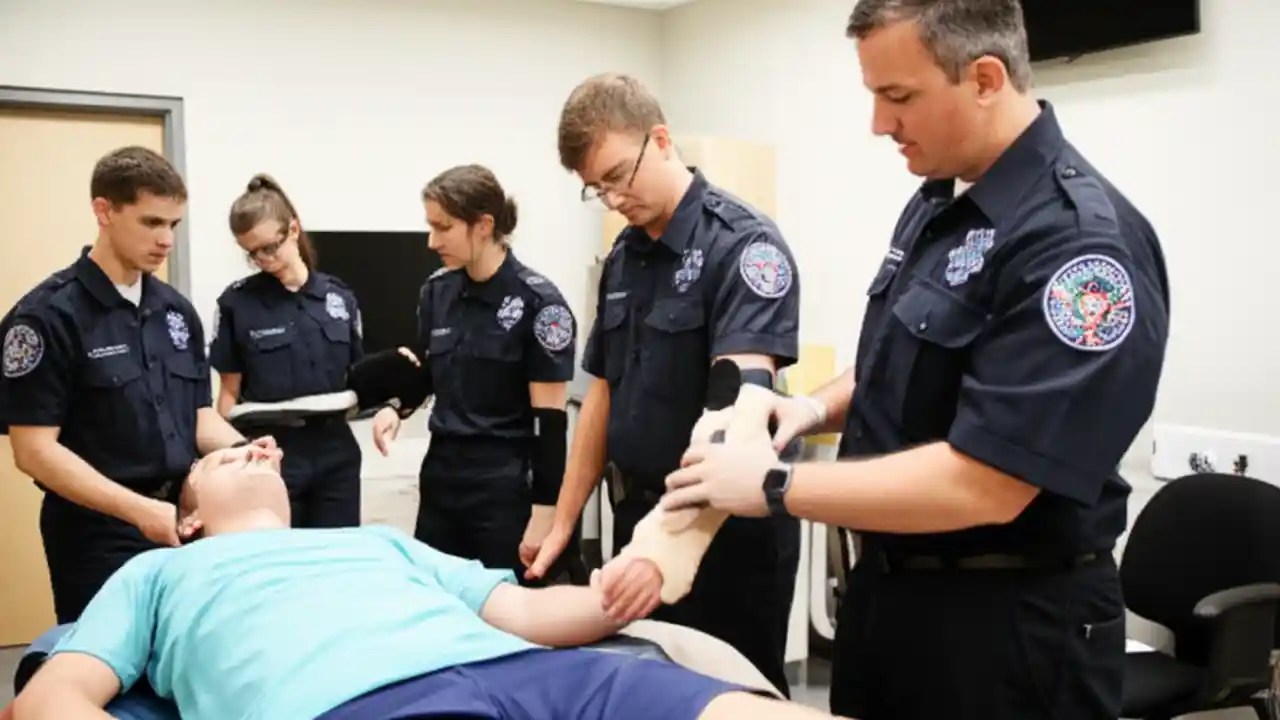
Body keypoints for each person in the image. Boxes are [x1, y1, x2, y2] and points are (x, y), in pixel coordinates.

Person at [656, 2, 1171, 719]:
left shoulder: (1077, 250)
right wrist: (809, 408)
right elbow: (903, 357)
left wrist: (774, 488)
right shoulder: (938, 203)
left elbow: (991, 482)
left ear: (986, 78)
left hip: (1005, 627)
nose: (878, 123)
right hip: (891, 600)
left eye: (897, 97)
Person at [10, 444, 841, 720]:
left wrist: (625, 582)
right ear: (189, 517)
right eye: (231, 454)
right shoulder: (163, 571)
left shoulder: (379, 543)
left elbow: (520, 610)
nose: (260, 449)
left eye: (262, 448)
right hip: (360, 703)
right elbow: (51, 699)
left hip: (540, 675)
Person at [526, 72, 803, 696]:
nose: (614, 198)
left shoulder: (745, 246)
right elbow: (603, 394)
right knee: (647, 697)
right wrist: (564, 520)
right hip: (638, 518)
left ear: (661, 139)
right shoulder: (624, 258)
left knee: (728, 699)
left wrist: (666, 550)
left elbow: (735, 417)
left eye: (619, 175)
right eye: (595, 189)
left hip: (723, 535)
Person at [0, 146, 268, 624]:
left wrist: (246, 451)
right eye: (151, 223)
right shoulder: (46, 317)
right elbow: (34, 451)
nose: (166, 240)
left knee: (179, 660)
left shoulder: (175, 311)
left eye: (174, 225)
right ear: (103, 211)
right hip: (97, 530)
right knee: (111, 671)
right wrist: (139, 510)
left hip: (182, 517)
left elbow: (196, 415)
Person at [366, 164, 581, 584]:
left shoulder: (540, 304)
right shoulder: (437, 292)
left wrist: (545, 514)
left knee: (502, 607)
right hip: (443, 475)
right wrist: (397, 406)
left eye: (443, 227)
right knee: (434, 596)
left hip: (503, 486)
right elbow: (431, 368)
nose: (432, 241)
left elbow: (550, 425)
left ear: (483, 226)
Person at [210, 174, 364, 528]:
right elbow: (228, 396)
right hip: (272, 451)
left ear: (293, 229)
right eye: (251, 254)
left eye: (269, 247)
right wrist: (233, 457)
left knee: (337, 560)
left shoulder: (339, 298)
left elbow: (358, 377)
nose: (262, 260)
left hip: (335, 449)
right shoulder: (237, 304)